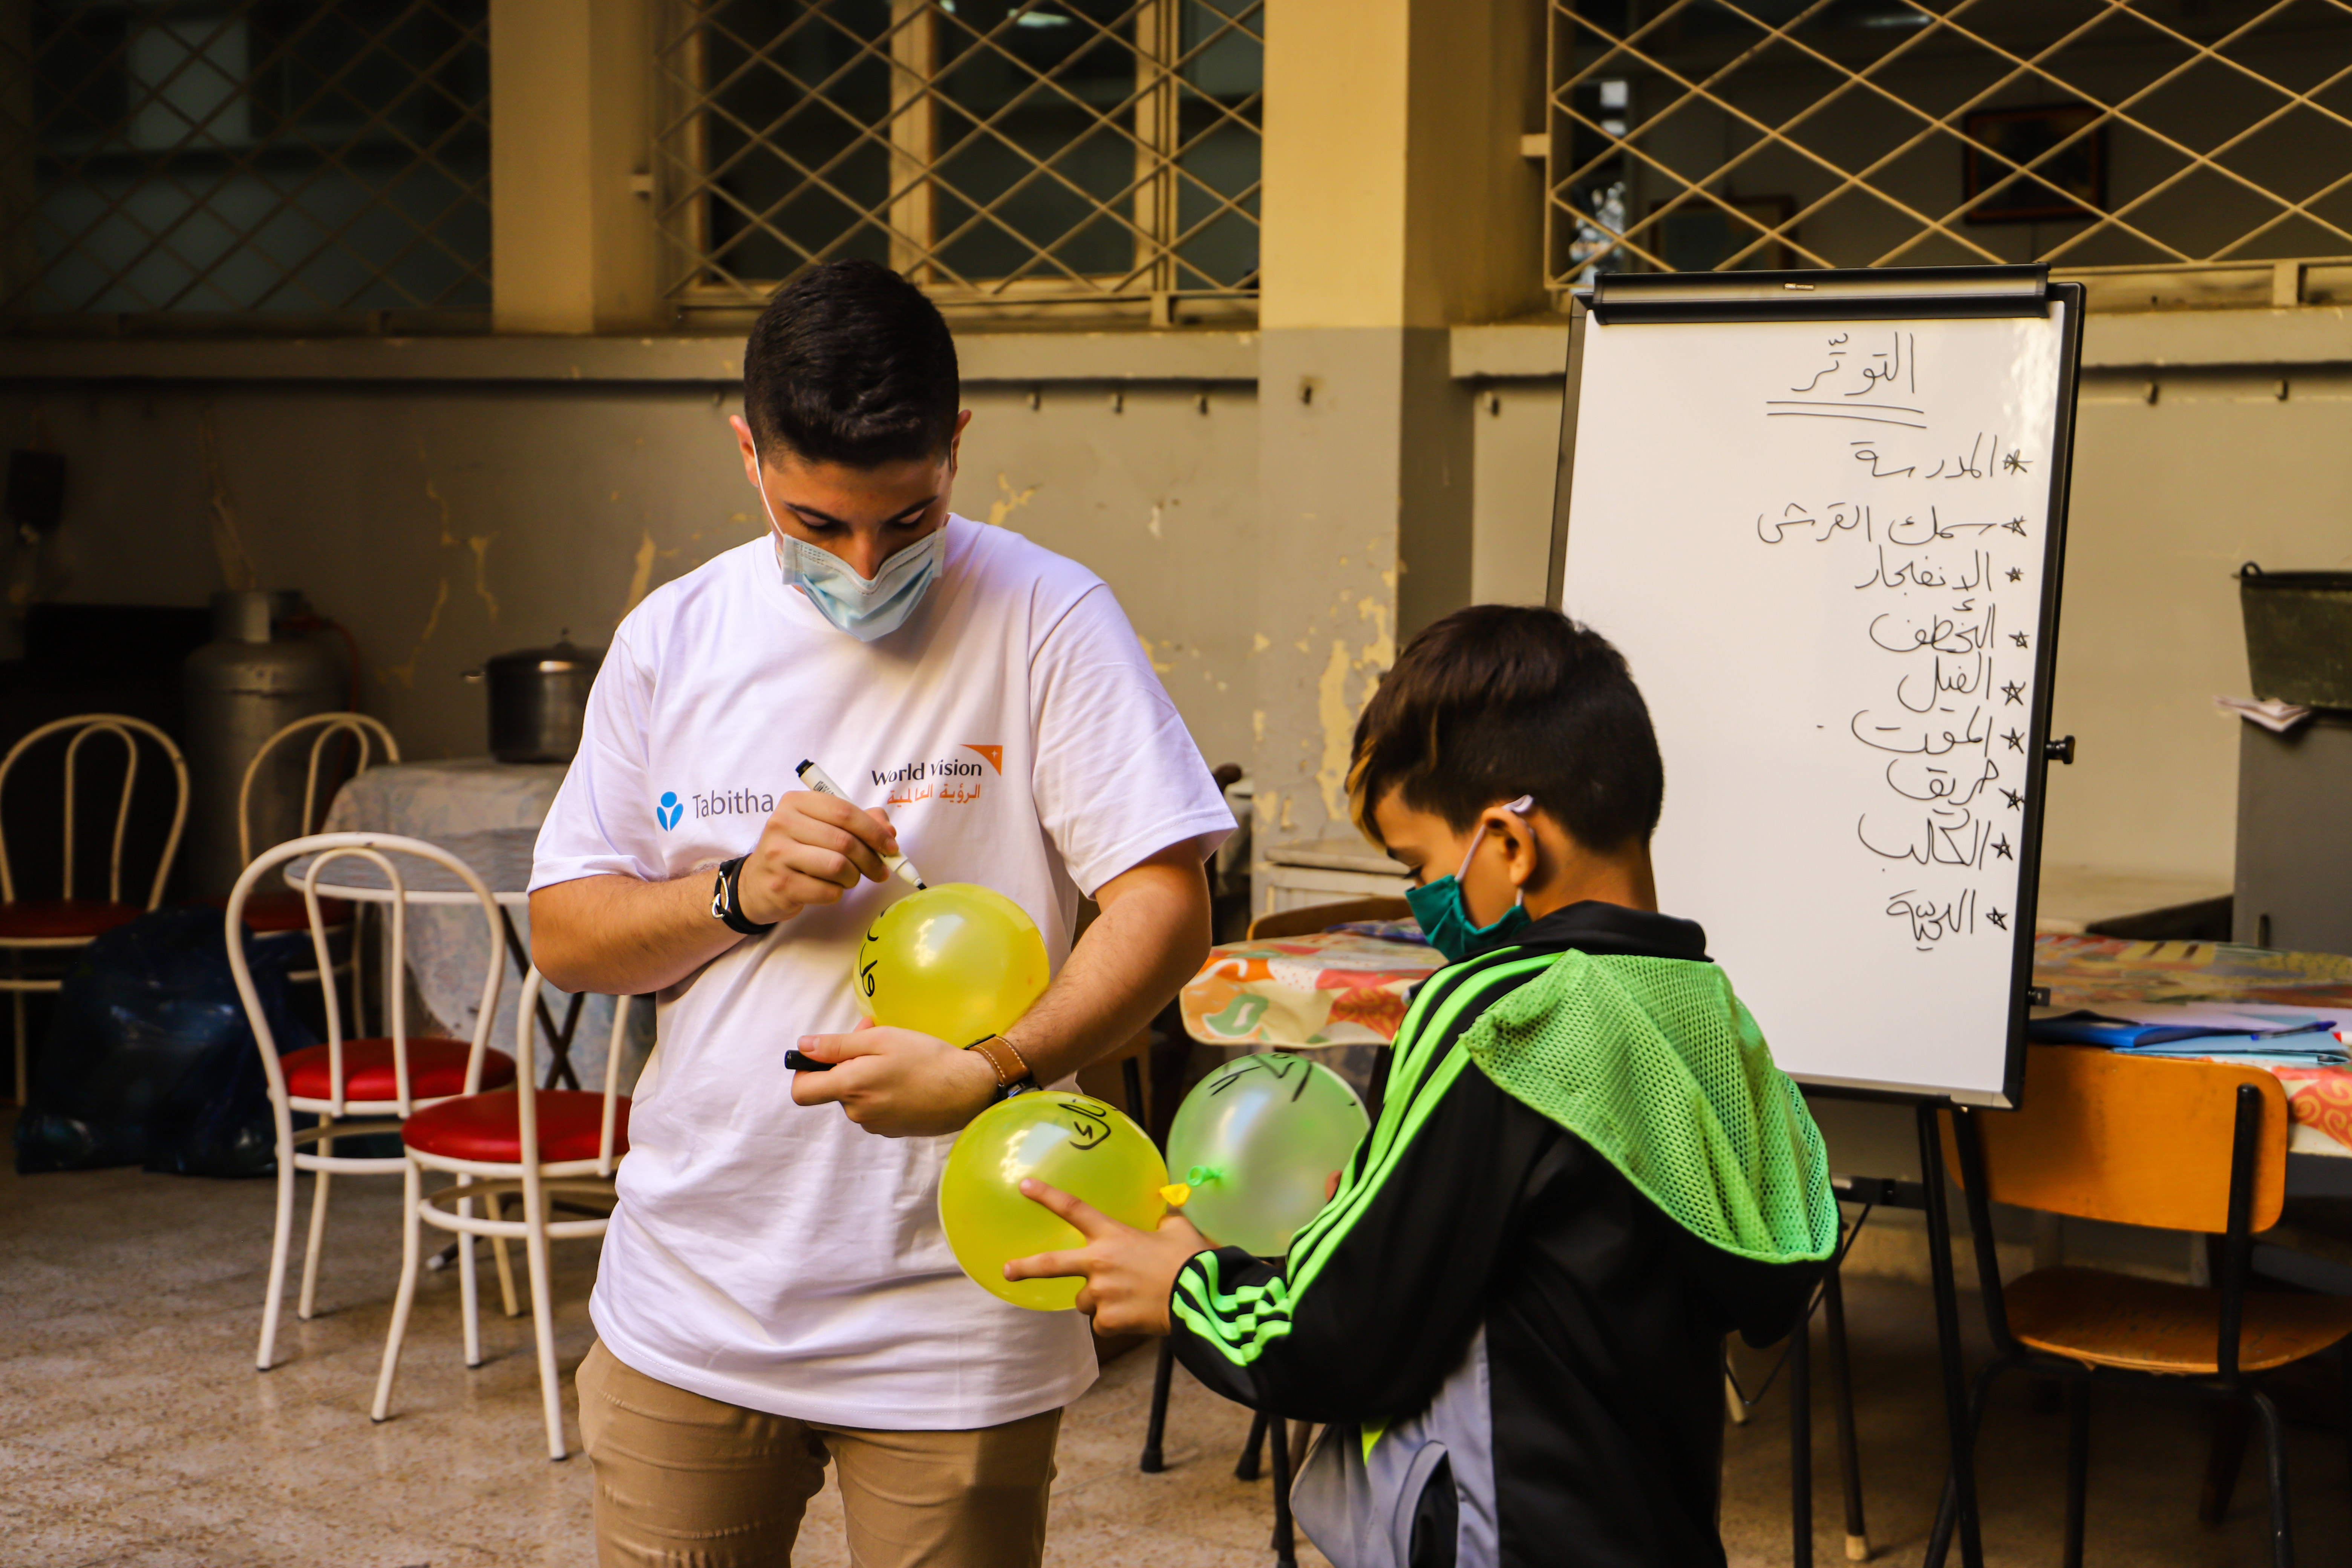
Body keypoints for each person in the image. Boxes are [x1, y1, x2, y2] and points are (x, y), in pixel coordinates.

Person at [527, 259, 1233, 1568]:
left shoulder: (1048, 617)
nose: (865, 564)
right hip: (695, 1297)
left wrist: (991, 1067)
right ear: (746, 452)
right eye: (819, 524)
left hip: (956, 1313)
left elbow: (1166, 903)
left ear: (957, 443)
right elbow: (567, 932)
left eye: (908, 522)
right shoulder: (672, 639)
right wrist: (737, 895)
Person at [1005, 603, 1840, 1568]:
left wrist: (1186, 1284)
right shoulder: (1707, 1005)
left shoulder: (1497, 1012)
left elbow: (1341, 1332)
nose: (1421, 900)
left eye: (1421, 866)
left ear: (1509, 843)